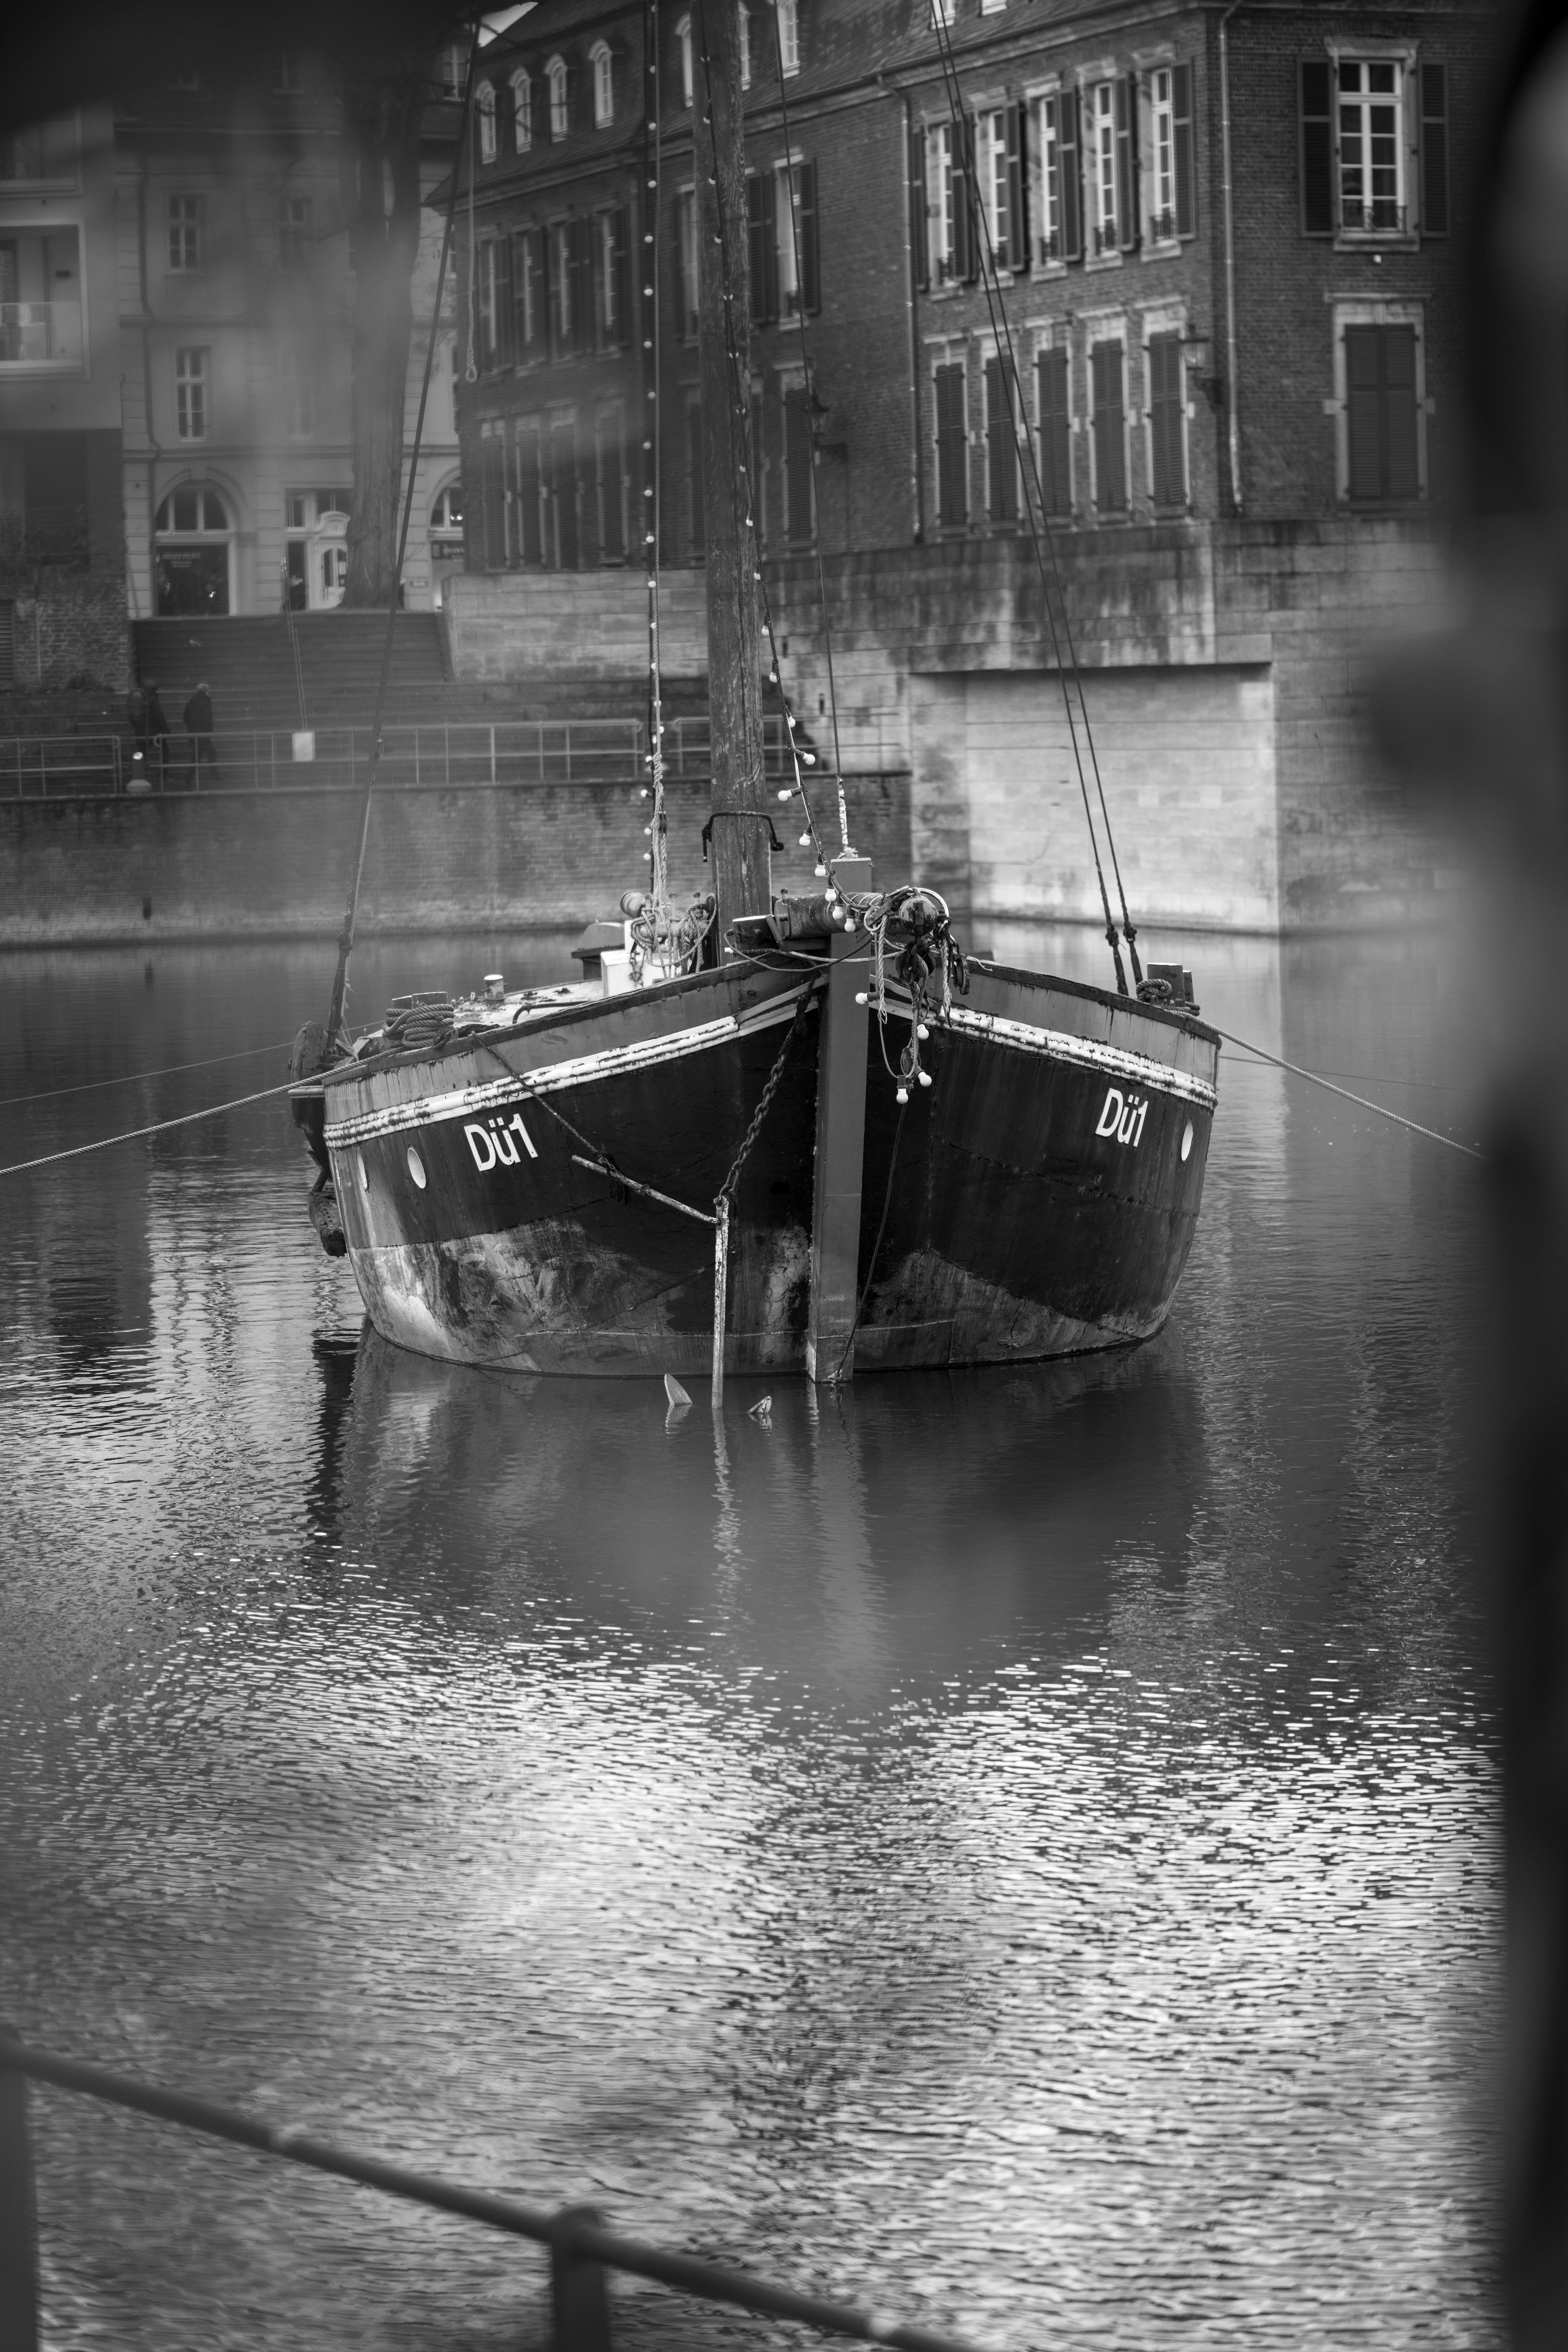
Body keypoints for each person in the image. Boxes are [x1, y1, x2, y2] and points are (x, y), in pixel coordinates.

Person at [184, 679, 218, 784]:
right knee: (210, 753)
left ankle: (188, 780)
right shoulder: (205, 703)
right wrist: (209, 733)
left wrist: (192, 729)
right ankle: (214, 774)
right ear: (206, 691)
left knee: (198, 757)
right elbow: (207, 720)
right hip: (203, 735)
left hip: (194, 735)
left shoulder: (191, 702)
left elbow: (186, 718)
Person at [144, 681, 169, 787]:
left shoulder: (142, 699)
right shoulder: (154, 700)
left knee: (142, 755)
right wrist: (167, 729)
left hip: (143, 732)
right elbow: (159, 716)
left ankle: (141, 776)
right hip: (155, 732)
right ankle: (163, 776)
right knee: (165, 753)